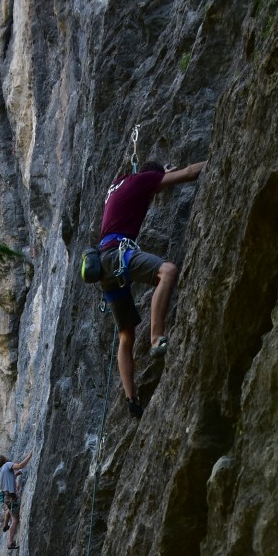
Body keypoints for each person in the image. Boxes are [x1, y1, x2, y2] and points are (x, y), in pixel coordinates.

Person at [97, 158, 206, 416]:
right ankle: (157, 339)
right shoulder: (142, 181)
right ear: (153, 177)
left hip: (102, 265)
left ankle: (131, 399)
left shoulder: (118, 184)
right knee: (167, 272)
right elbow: (189, 172)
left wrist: (158, 174)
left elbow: (148, 180)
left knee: (125, 335)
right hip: (118, 255)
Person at [0, 449, 33, 550]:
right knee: (15, 519)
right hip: (11, 497)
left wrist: (15, 475)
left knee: (9, 509)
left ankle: (5, 524)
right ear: (4, 459)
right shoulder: (8, 464)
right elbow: (20, 465)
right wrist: (29, 456)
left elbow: (7, 481)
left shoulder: (0, 471)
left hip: (6, 496)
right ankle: (10, 542)